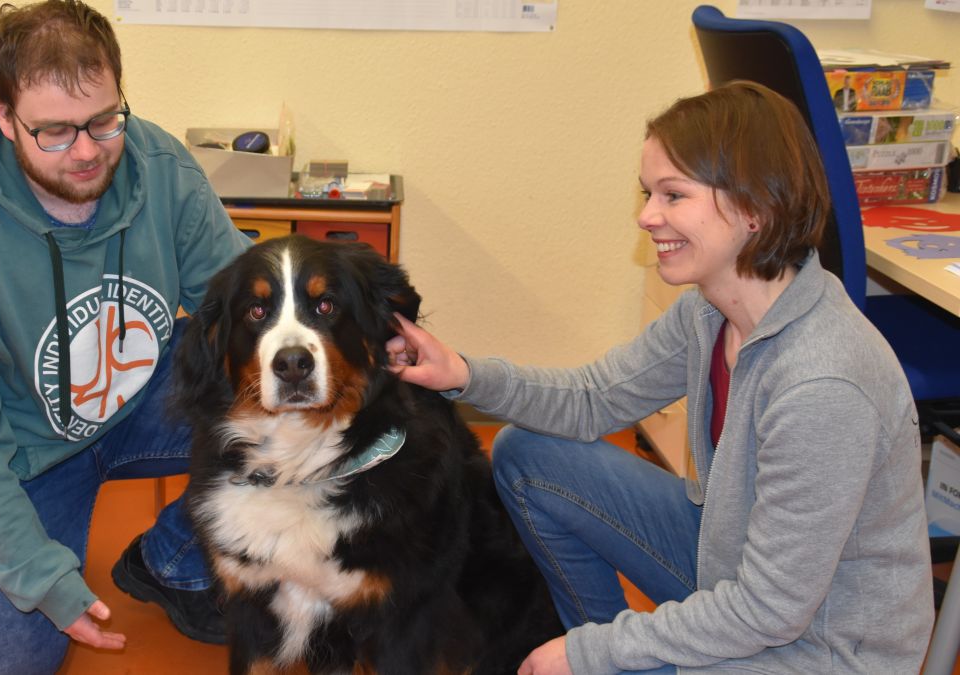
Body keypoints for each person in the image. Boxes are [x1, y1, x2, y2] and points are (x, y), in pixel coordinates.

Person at [387, 81, 933, 674]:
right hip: (736, 572)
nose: (647, 217)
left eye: (674, 195)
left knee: (612, 657)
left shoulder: (823, 384)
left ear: (755, 207)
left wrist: (591, 653)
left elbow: (770, 611)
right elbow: (593, 399)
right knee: (530, 454)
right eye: (648, 193)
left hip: (819, 649)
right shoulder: (711, 311)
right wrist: (462, 373)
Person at [0, 1, 251, 672]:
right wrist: (44, 580)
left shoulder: (160, 167)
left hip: (141, 400)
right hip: (17, 452)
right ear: (4, 117)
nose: (87, 150)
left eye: (103, 120)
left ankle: (172, 555)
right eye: (54, 131)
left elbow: (239, 306)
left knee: (308, 393)